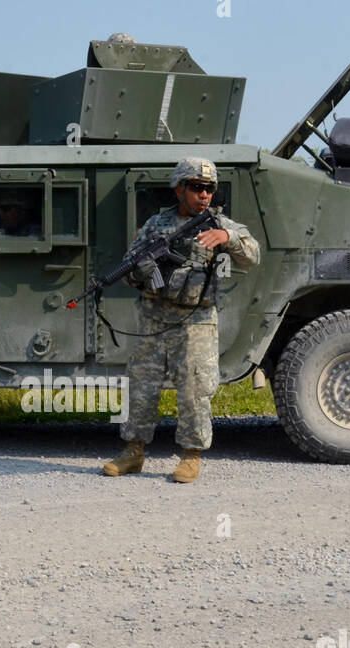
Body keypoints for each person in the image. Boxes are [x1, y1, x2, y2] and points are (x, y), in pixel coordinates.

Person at [102, 157, 261, 483]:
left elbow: (253, 254)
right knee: (141, 385)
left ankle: (191, 455)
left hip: (196, 320)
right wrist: (142, 272)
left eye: (209, 188)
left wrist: (226, 238)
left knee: (193, 388)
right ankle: (133, 452)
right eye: (196, 187)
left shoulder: (219, 224)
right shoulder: (154, 225)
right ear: (179, 189)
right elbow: (129, 266)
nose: (204, 194)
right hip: (153, 316)